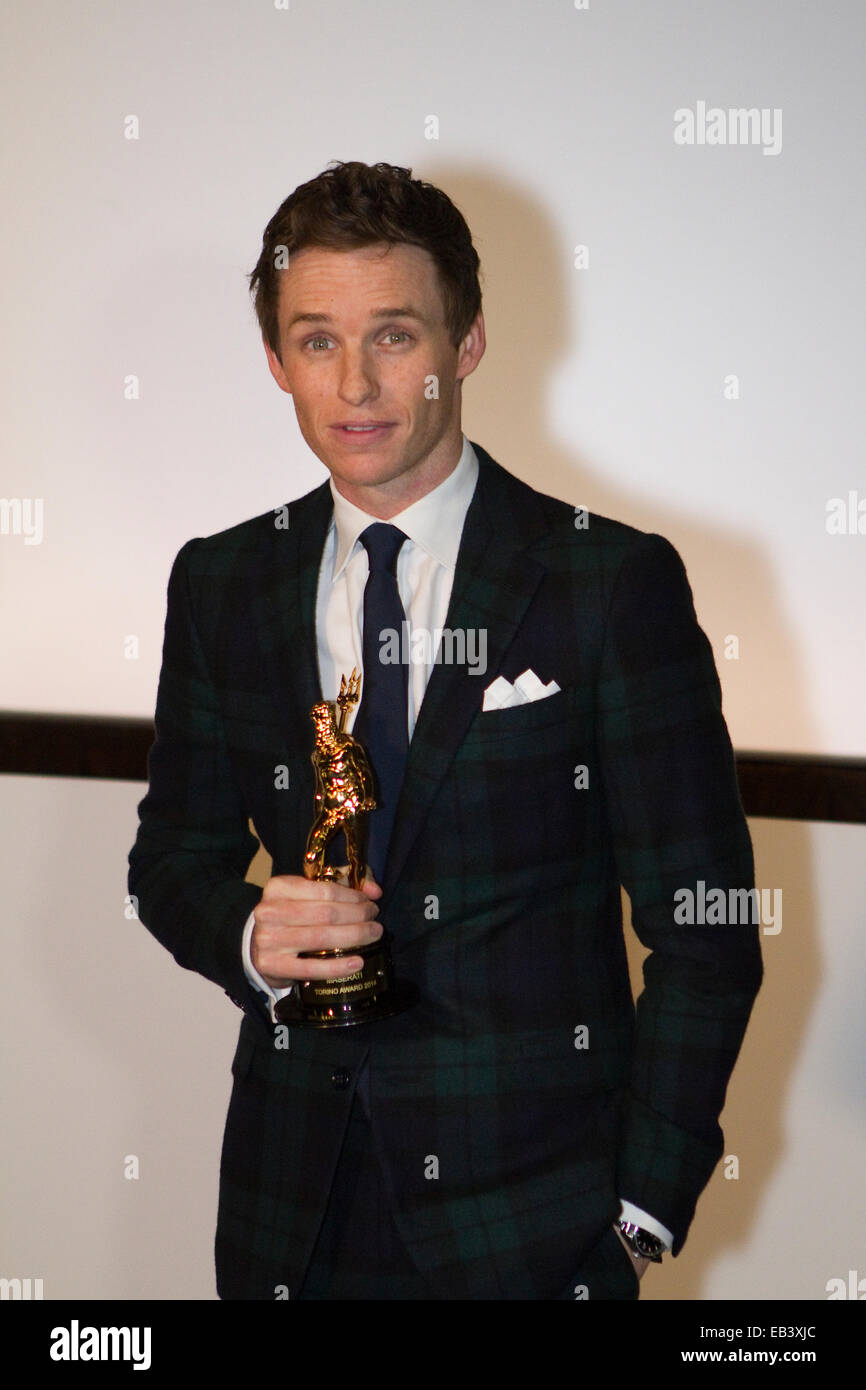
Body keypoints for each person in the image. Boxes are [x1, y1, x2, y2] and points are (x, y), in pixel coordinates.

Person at [128, 160, 763, 1301]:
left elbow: (705, 929)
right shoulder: (222, 581)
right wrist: (246, 936)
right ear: (275, 360)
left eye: (395, 336)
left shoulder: (605, 583)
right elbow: (171, 858)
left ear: (464, 344)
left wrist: (639, 1208)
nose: (357, 383)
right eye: (316, 340)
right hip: (290, 1214)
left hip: (536, 1227)